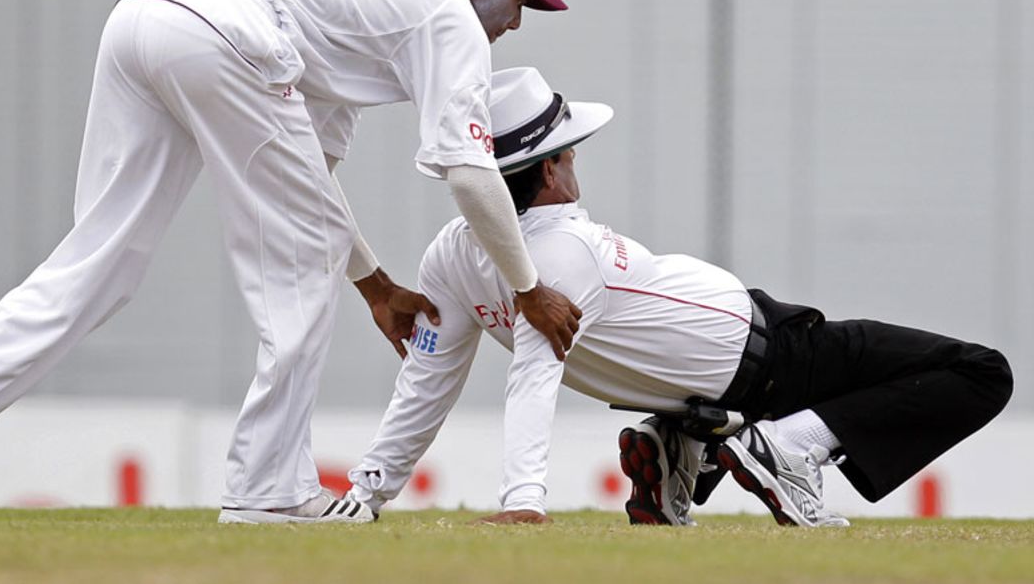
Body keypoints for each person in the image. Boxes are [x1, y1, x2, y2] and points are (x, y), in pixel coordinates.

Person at [0, 0, 585, 524]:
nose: (516, 23)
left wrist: (376, 285)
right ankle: (269, 489)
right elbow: (469, 170)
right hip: (226, 33)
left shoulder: (364, 15)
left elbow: (311, 185)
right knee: (297, 268)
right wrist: (527, 289)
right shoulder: (446, 12)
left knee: (97, 266)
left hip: (145, 17)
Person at [347, 66, 1013, 527]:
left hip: (710, 384)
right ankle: (787, 445)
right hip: (771, 350)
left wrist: (366, 494)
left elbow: (426, 380)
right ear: (549, 170)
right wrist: (523, 499)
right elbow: (532, 379)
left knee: (721, 420)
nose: (577, 161)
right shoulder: (562, 254)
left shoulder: (451, 253)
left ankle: (679, 456)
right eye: (569, 151)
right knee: (983, 372)